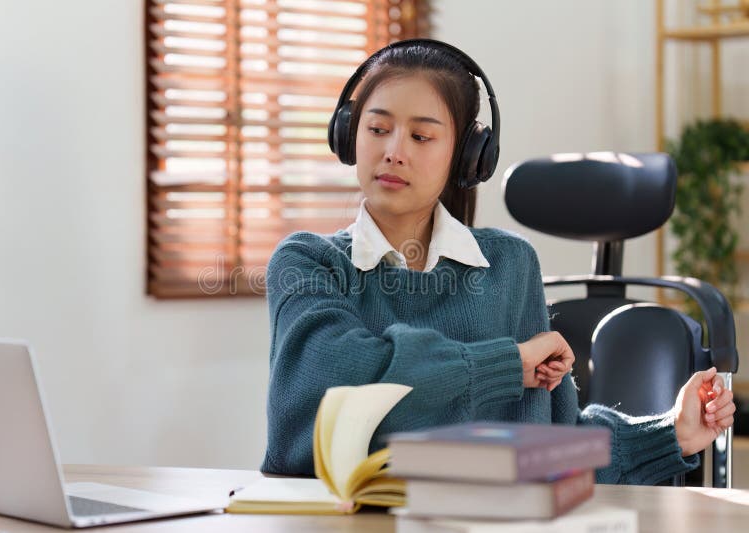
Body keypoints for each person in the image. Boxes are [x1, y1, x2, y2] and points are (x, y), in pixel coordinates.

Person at [260, 39, 736, 484]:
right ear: (348, 135)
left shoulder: (509, 266)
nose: (394, 152)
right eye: (378, 129)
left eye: (422, 137)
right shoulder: (306, 264)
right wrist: (506, 364)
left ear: (467, 156)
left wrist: (670, 432)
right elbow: (340, 393)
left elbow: (553, 444)